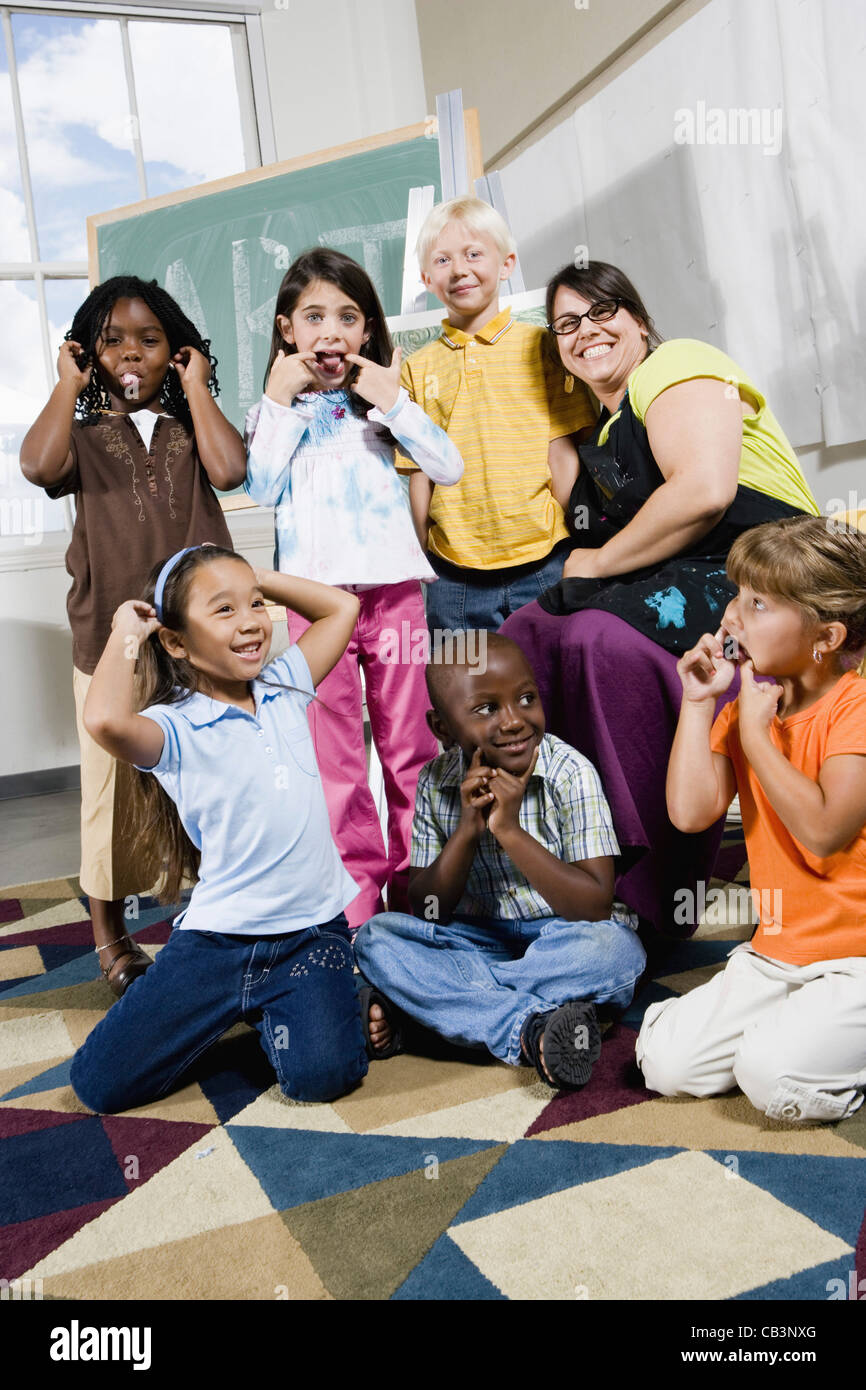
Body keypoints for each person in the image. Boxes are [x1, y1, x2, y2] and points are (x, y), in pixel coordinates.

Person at [502, 261, 819, 940]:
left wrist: (595, 564)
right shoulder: (605, 438)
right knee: (527, 632)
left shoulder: (675, 364)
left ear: (640, 322)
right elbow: (583, 521)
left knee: (596, 638)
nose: (587, 330)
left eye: (603, 310)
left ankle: (646, 888)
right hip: (687, 574)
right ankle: (551, 863)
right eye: (566, 325)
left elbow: (706, 490)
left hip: (768, 566)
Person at [70, 545, 383, 1114]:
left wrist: (251, 578)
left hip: (312, 935)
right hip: (220, 944)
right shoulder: (174, 727)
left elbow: (341, 609)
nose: (250, 623)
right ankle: (261, 1002)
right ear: (176, 642)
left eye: (257, 606)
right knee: (98, 1084)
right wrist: (126, 630)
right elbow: (104, 719)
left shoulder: (285, 683)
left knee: (321, 1078)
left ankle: (299, 1000)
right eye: (223, 611)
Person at [19, 277, 244, 995]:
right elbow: (35, 465)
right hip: (109, 638)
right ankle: (110, 933)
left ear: (175, 351)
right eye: (113, 339)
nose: (132, 354)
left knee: (210, 777)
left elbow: (232, 471)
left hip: (198, 635)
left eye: (150, 340)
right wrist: (68, 383)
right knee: (110, 789)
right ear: (90, 350)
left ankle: (217, 914)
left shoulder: (188, 428)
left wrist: (198, 388)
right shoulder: (81, 434)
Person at [244, 248, 463, 929]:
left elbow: (447, 466)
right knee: (334, 760)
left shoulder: (381, 406)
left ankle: (419, 898)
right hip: (317, 608)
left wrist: (393, 402)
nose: (330, 331)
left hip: (394, 595)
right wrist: (278, 401)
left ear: (367, 331)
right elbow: (260, 487)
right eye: (313, 317)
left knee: (411, 751)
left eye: (347, 316)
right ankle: (360, 910)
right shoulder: (273, 413)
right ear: (287, 330)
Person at [636, 516, 866, 1122]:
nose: (732, 615)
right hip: (777, 952)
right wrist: (699, 702)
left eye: (757, 603)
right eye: (737, 595)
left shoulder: (855, 709)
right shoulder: (751, 705)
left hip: (857, 959)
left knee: (769, 1075)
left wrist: (757, 737)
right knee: (667, 1065)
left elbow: (822, 832)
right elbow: (690, 813)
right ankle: (805, 1030)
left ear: (826, 636)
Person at [354, 633, 646, 1088]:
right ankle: (531, 1028)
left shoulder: (570, 772)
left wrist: (508, 830)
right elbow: (430, 909)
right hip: (476, 938)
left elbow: (593, 907)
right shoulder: (435, 780)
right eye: (487, 708)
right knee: (376, 937)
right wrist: (469, 829)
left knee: (616, 952)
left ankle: (436, 1008)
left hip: (561, 939)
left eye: (526, 698)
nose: (514, 721)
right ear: (443, 729)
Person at [400, 197, 596, 632]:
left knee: (550, 684)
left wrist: (582, 540)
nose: (460, 269)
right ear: (427, 278)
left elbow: (562, 452)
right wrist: (422, 554)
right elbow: (419, 471)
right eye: (443, 259)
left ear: (506, 264)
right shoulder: (418, 367)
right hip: (453, 574)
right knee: (464, 689)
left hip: (544, 559)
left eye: (474, 254)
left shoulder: (542, 347)